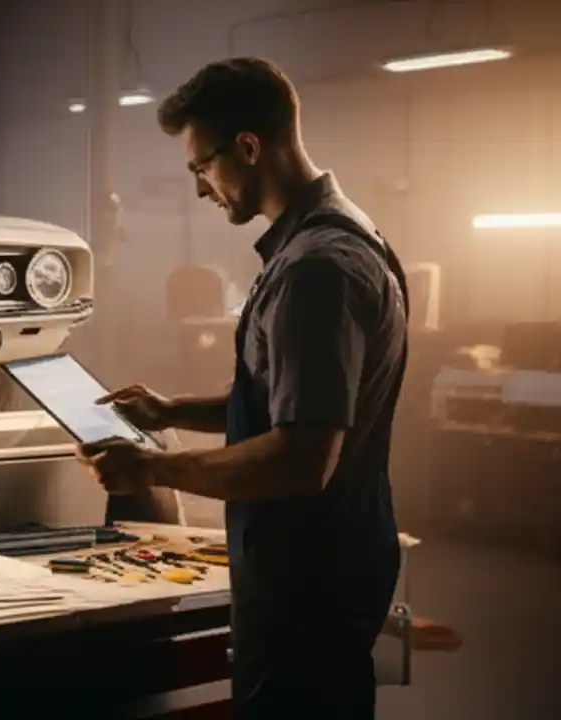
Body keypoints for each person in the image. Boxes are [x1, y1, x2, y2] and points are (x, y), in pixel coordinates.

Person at [76, 58, 409, 719]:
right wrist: (172, 410)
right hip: (323, 571)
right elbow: (288, 400)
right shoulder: (335, 237)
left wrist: (152, 467)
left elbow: (301, 455)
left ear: (249, 147)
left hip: (307, 586)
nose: (201, 187)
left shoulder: (317, 271)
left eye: (202, 166)